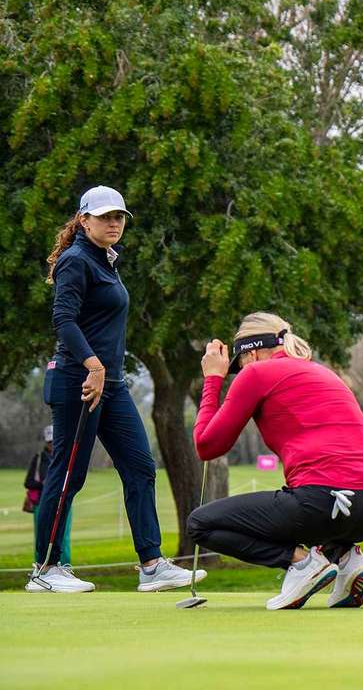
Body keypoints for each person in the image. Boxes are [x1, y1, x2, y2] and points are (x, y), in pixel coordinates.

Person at [28, 186, 200, 594]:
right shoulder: (75, 260)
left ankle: (152, 565)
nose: (114, 223)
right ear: (84, 220)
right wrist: (93, 365)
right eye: (105, 216)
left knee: (140, 466)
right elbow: (64, 320)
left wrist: (104, 370)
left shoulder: (105, 260)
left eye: (119, 217)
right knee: (69, 473)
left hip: (112, 383)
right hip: (80, 381)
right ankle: (46, 569)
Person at [187, 312, 363, 610]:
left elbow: (207, 446)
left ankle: (301, 564)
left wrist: (212, 380)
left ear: (252, 353)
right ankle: (348, 559)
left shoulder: (255, 373)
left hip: (324, 502)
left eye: (240, 363)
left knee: (200, 524)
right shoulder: (323, 372)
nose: (240, 371)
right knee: (309, 509)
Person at [25, 425, 73, 565]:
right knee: (41, 537)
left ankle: (64, 565)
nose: (52, 444)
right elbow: (29, 482)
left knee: (63, 536)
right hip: (41, 502)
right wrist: (46, 484)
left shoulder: (66, 456)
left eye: (54, 441)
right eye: (50, 441)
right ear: (46, 442)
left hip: (62, 501)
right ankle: (40, 566)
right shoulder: (39, 458)